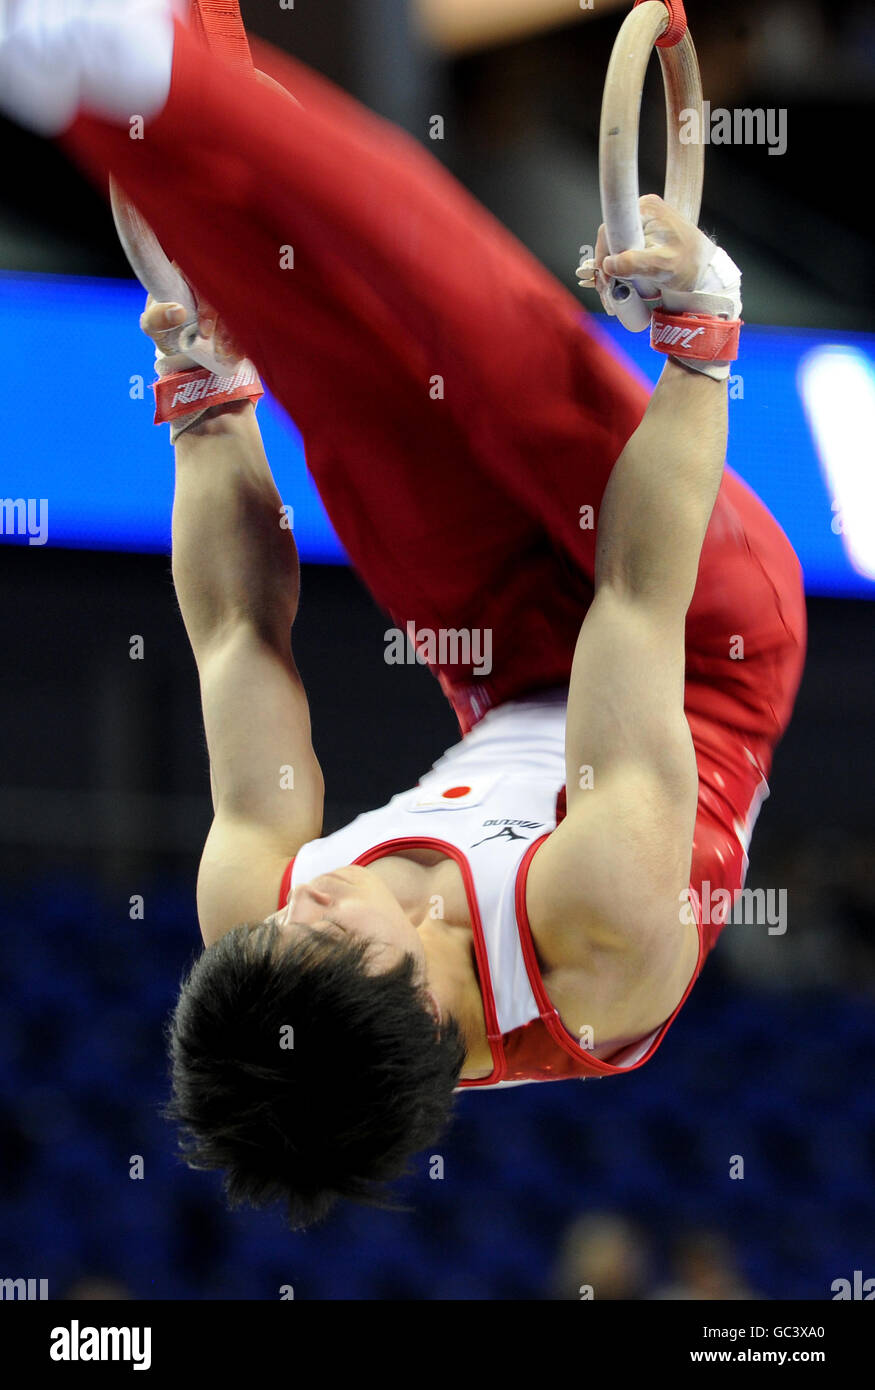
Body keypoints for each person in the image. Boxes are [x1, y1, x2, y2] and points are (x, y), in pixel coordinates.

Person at [0, 0, 805, 1229]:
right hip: (702, 649)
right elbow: (636, 603)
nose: (300, 905)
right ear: (427, 1001)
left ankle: (139, 61)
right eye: (323, 936)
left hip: (494, 658)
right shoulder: (594, 941)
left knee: (312, 348)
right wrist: (698, 345)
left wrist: (205, 403)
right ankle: (128, 68)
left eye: (270, 941)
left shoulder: (261, 935)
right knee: (500, 357)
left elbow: (237, 636)